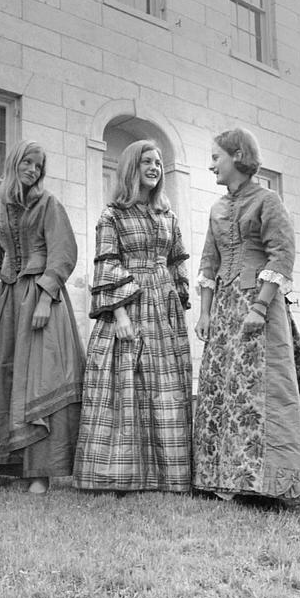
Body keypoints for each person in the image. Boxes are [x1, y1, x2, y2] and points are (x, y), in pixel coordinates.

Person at [192, 128, 300, 504]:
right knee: (227, 392)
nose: (211, 164)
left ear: (237, 156)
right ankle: (227, 481)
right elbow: (208, 261)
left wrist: (259, 306)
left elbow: (281, 254)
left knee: (262, 393)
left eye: (216, 157)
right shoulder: (217, 209)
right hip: (224, 311)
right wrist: (205, 312)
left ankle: (270, 485)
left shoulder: (268, 200)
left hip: (259, 310)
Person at [73, 140, 192, 493]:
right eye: (146, 162)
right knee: (127, 384)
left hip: (163, 307)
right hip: (128, 304)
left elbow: (176, 261)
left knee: (163, 389)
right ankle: (120, 474)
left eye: (158, 162)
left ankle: (169, 476)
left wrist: (177, 300)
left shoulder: (168, 217)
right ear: (131, 168)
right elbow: (107, 263)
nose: (155, 168)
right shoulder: (112, 215)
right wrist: (120, 314)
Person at [0, 141, 84, 494]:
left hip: (40, 299)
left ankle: (41, 473)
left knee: (41, 378)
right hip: (7, 300)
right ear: (15, 164)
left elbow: (64, 252)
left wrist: (46, 297)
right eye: (28, 163)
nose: (34, 170)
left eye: (39, 166)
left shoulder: (49, 205)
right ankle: (11, 465)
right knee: (5, 376)